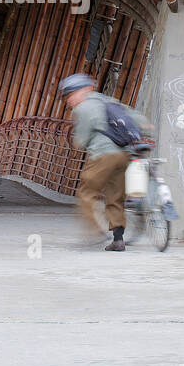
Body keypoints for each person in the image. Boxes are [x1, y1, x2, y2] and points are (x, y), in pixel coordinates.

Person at [59, 72, 152, 252]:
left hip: (103, 155)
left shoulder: (84, 108)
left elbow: (82, 139)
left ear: (83, 90)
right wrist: (147, 131)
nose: (69, 100)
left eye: (70, 95)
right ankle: (118, 239)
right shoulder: (109, 101)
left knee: (87, 193)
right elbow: (137, 119)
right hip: (125, 154)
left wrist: (80, 141)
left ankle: (94, 232)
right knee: (115, 197)